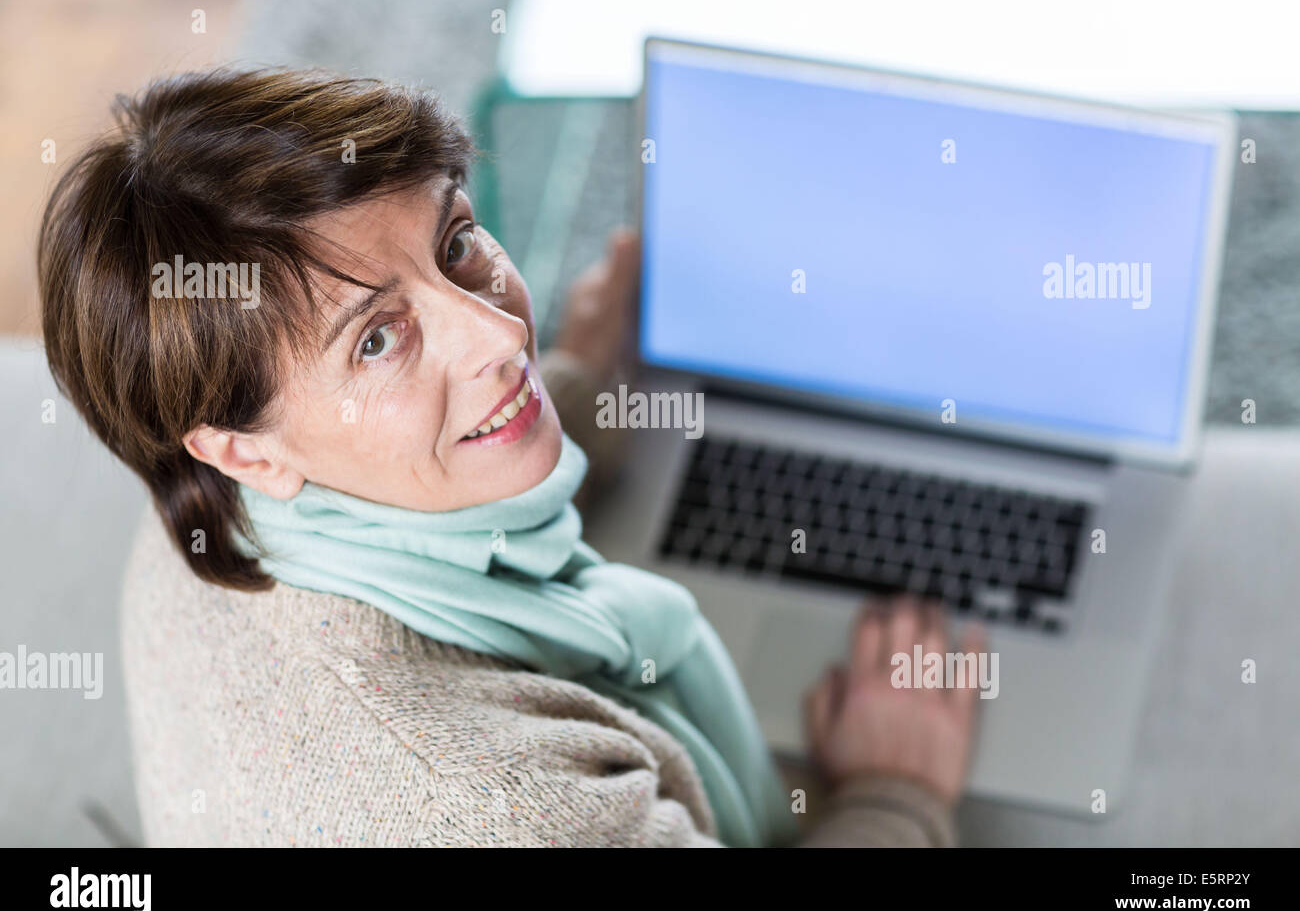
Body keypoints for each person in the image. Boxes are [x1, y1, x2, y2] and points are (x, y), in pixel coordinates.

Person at [38, 67, 982, 847]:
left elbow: (469, 383)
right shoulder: (502, 811)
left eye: (455, 243)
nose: (498, 332)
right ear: (240, 450)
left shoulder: (213, 494)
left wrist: (579, 377)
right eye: (376, 340)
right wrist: (896, 794)